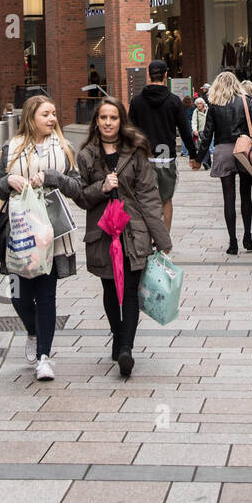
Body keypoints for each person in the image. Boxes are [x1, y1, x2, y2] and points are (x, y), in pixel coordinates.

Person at [76, 98, 172, 379]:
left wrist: (163, 241)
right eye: (103, 118)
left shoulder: (136, 152)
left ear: (121, 121)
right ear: (96, 121)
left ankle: (126, 349)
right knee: (109, 290)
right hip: (103, 234)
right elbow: (81, 197)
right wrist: (102, 187)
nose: (108, 123)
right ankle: (118, 337)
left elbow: (149, 198)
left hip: (133, 232)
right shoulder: (86, 155)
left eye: (113, 118)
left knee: (130, 291)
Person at [0, 95, 83, 382]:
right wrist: (8, 182)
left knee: (46, 295)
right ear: (31, 117)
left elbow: (77, 188)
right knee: (19, 296)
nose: (52, 119)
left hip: (51, 234)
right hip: (20, 233)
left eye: (54, 113)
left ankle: (44, 356)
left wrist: (53, 177)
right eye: (46, 114)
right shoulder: (11, 149)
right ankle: (32, 330)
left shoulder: (65, 148)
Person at [192, 70, 252, 255]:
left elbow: (207, 135)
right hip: (244, 149)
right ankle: (248, 236)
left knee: (228, 198)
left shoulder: (214, 105)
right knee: (245, 195)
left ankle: (233, 242)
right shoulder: (246, 101)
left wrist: (199, 159)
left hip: (223, 151)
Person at [128, 58, 197, 233]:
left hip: (144, 157)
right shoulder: (174, 101)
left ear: (149, 76)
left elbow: (130, 131)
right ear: (166, 75)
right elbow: (185, 130)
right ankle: (164, 242)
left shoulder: (137, 102)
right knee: (166, 199)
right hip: (167, 158)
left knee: (145, 200)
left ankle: (148, 237)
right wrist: (194, 156)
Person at [191, 95, 211, 169]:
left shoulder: (208, 110)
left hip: (209, 131)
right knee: (203, 146)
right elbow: (194, 122)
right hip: (201, 131)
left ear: (203, 104)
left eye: (200, 104)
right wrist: (195, 130)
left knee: (206, 146)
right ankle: (206, 162)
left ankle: (207, 162)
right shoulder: (195, 112)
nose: (199, 105)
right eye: (197, 104)